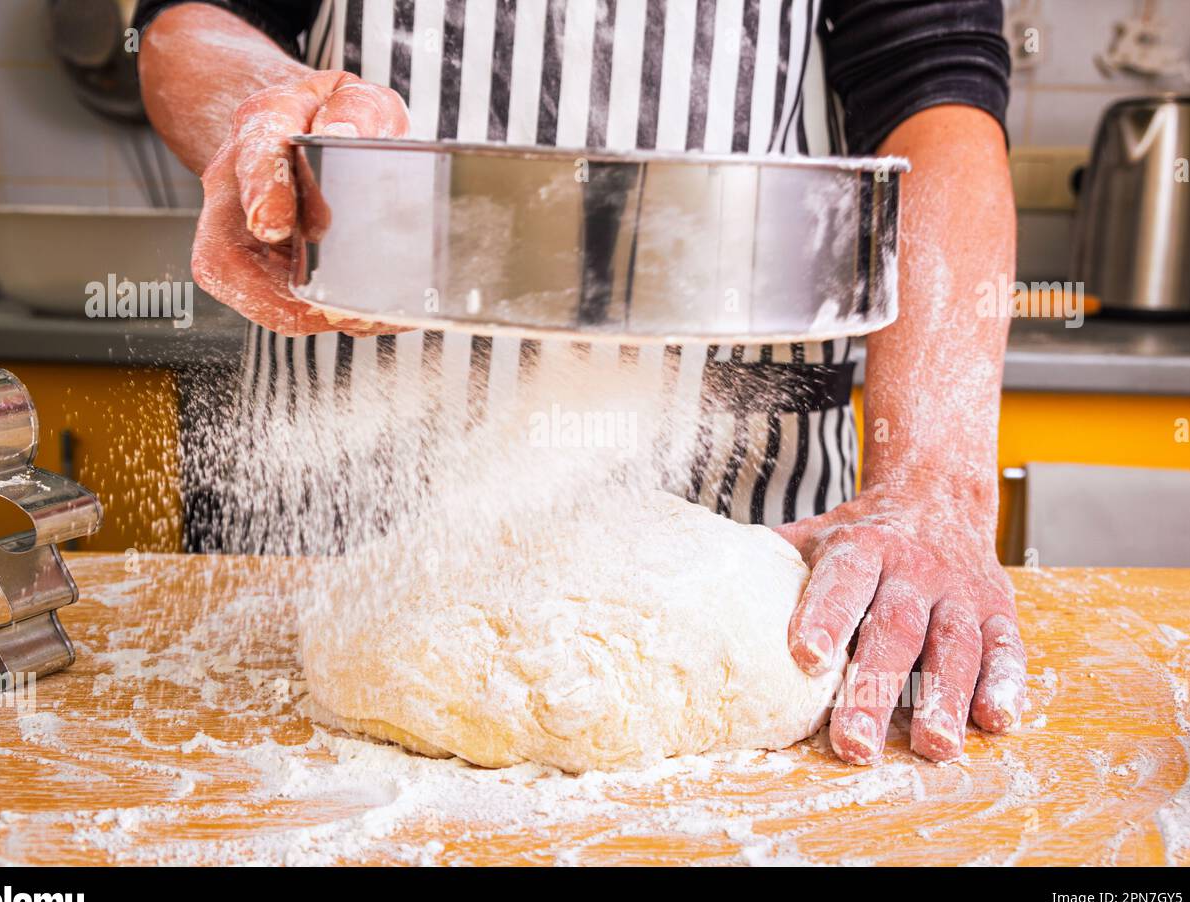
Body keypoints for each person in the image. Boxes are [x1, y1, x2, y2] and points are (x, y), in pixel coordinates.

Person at [135, 0, 1026, 765]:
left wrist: (932, 482)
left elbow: (935, 75)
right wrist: (269, 116)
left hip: (752, 518)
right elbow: (193, 20)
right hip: (347, 499)